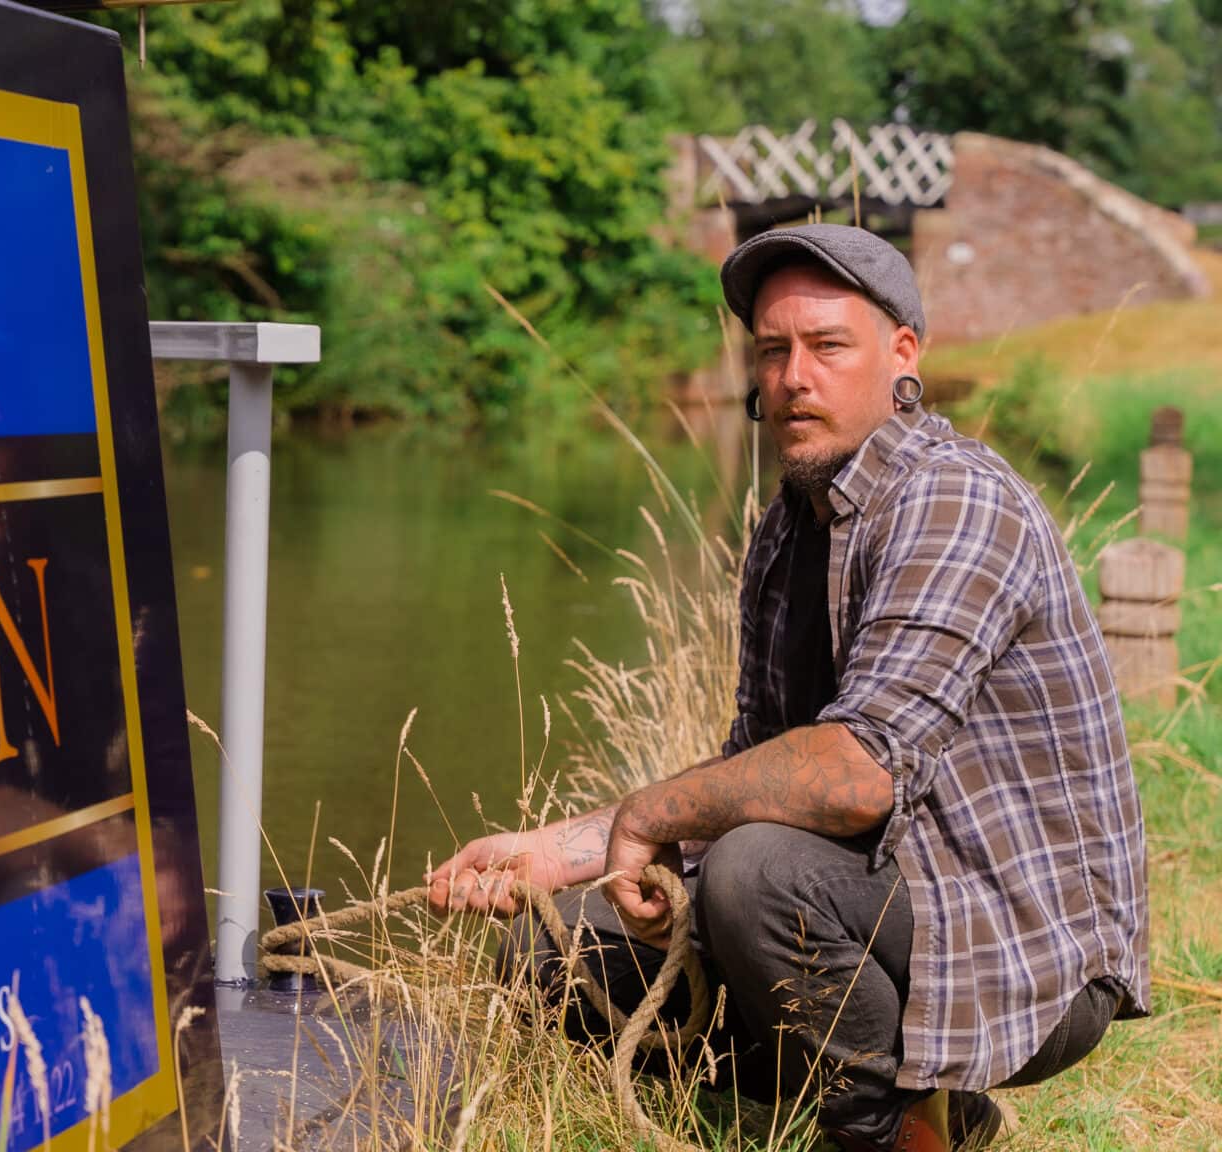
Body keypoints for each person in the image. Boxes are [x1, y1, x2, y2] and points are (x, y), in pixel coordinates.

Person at [427, 224, 1149, 1152]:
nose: (794, 376)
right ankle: (934, 1112)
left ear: (903, 358)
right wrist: (560, 853)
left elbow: (857, 775)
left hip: (1015, 943)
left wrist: (649, 819)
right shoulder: (788, 529)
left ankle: (879, 1136)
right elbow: (752, 770)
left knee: (755, 873)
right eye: (773, 350)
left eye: (827, 346)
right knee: (548, 954)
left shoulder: (954, 497)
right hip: (876, 899)